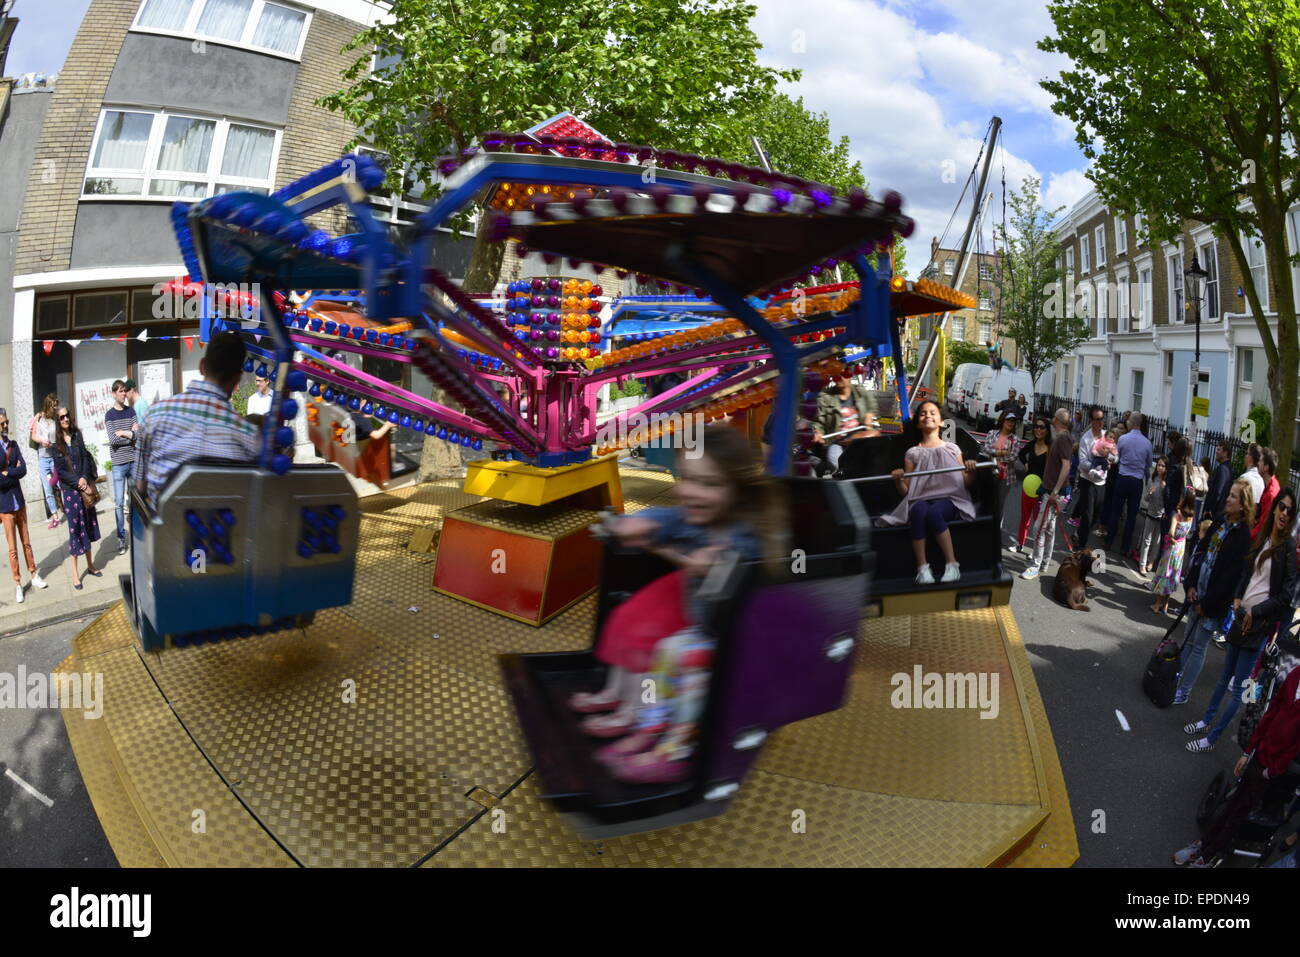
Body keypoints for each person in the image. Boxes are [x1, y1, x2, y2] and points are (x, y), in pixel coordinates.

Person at [568, 426, 783, 783]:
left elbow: (718, 562)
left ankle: (677, 753)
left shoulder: (744, 534)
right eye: (688, 479)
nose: (693, 492)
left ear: (738, 492)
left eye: (711, 485)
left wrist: (669, 550)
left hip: (741, 638)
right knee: (666, 650)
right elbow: (668, 518)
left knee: (689, 662)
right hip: (705, 629)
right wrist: (634, 524)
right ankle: (649, 728)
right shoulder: (700, 521)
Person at [1185, 489, 1299, 753]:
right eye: (1281, 507)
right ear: (1274, 509)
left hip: (1257, 626)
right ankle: (1205, 720)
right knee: (1224, 677)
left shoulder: (1289, 548)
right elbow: (1247, 572)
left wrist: (1256, 612)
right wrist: (1237, 598)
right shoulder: (1264, 537)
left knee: (1240, 689)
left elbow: (1285, 595)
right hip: (1239, 617)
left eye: (1289, 510)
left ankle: (1212, 739)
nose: (1283, 513)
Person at [1175, 662, 1300, 867]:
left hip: (1273, 768)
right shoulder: (1295, 674)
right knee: (1233, 803)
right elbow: (1270, 715)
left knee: (1239, 812)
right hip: (1258, 755)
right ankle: (1205, 843)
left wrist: (1271, 771)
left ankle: (1208, 855)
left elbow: (1296, 747)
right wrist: (1249, 751)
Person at [136, 333, 260, 509]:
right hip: (222, 533)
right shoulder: (249, 435)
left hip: (163, 531)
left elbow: (140, 488)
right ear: (238, 378)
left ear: (202, 366)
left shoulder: (154, 414)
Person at [877, 400, 979, 584]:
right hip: (921, 499)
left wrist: (971, 471)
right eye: (923, 413)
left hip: (950, 499)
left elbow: (964, 482)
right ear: (918, 422)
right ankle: (923, 568)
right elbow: (906, 491)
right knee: (918, 510)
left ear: (941, 421)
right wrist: (899, 479)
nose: (928, 416)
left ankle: (952, 564)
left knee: (934, 512)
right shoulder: (913, 453)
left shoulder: (952, 448)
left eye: (933, 412)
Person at [1173, 481, 1256, 705]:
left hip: (1213, 603)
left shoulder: (1243, 536)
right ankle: (1172, 682)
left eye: (1234, 497)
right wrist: (1190, 584)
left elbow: (1230, 578)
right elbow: (1201, 550)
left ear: (1243, 505)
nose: (1228, 499)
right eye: (1229, 494)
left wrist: (1207, 604)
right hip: (1197, 591)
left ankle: (1184, 691)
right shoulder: (1220, 520)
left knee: (1199, 646)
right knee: (1187, 641)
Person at [1021, 408, 1076, 581]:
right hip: (1052, 491)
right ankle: (1044, 563)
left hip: (1054, 493)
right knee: (1049, 529)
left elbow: (1067, 465)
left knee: (1039, 528)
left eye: (1054, 417)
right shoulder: (1061, 438)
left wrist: (1055, 491)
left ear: (1057, 420)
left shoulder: (1064, 438)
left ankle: (1035, 565)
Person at [51, 406, 101, 589]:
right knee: (75, 529)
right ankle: (74, 574)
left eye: (67, 415)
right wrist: (77, 481)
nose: (65, 419)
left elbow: (87, 459)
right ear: (57, 421)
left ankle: (90, 565)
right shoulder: (56, 445)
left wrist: (84, 479)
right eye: (61, 417)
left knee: (87, 524)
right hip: (71, 492)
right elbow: (61, 472)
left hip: (84, 486)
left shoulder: (77, 436)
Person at [0, 409, 47, 603]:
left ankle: (33, 574)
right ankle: (18, 583)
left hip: (19, 502)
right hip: (5, 506)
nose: (5, 426)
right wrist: (14, 471)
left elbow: (24, 469)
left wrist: (7, 472)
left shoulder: (14, 444)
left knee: (26, 542)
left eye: (7, 422)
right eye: (2, 423)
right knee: (12, 548)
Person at [1105, 410, 1155, 561]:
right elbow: (1147, 465)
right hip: (1136, 481)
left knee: (1115, 510)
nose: (1126, 422)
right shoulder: (1147, 443)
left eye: (1128, 421)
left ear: (1133, 422)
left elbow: (1116, 457)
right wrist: (1147, 483)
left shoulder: (1123, 439)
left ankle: (1108, 541)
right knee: (1131, 516)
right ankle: (1124, 548)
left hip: (1122, 477)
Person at [815, 376, 880, 472]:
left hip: (861, 441)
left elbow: (872, 407)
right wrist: (818, 432)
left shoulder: (861, 391)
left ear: (849, 375)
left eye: (842, 374)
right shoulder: (825, 397)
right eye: (835, 374)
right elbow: (819, 422)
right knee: (835, 462)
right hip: (837, 442)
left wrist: (869, 414)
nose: (838, 377)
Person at [1066, 405, 1109, 549]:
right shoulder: (1086, 438)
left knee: (1096, 516)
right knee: (1087, 515)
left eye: (1102, 419)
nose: (1100, 422)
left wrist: (1110, 460)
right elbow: (1083, 462)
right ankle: (1080, 548)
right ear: (1091, 420)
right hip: (1087, 480)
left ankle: (1079, 533)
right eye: (1097, 419)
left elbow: (1113, 453)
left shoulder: (1106, 435)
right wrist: (1096, 466)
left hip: (1102, 482)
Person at [1150, 489, 1195, 615]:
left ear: (1184, 501)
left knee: (1165, 572)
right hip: (1181, 547)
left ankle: (1158, 604)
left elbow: (1171, 532)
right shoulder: (1191, 517)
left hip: (1172, 547)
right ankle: (1166, 604)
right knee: (1173, 574)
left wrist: (1170, 537)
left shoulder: (1177, 516)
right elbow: (1189, 533)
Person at [105, 379, 137, 555]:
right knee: (118, 503)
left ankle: (136, 534)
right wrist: (131, 435)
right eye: (119, 391)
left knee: (134, 500)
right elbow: (113, 440)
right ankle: (120, 538)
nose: (123, 394)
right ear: (113, 394)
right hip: (118, 464)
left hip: (133, 461)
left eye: (124, 391)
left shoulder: (131, 411)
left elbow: (138, 435)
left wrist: (125, 433)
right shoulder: (109, 415)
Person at [1011, 416, 1051, 554]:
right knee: (1024, 517)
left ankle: (1035, 551)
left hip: (1042, 490)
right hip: (1027, 487)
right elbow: (1021, 455)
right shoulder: (1031, 444)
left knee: (1038, 523)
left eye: (1042, 427)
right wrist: (1026, 464)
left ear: (1047, 430)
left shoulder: (1050, 447)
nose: (1038, 429)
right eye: (1037, 427)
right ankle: (1019, 544)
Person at [981, 410, 1019, 547]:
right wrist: (1002, 452)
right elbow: (986, 449)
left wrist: (996, 455)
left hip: (1006, 477)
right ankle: (985, 528)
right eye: (1008, 420)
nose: (1010, 423)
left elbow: (1013, 457)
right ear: (1003, 420)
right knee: (988, 501)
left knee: (1000, 505)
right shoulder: (992, 433)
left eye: (1013, 421)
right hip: (989, 473)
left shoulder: (1015, 439)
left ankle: (995, 531)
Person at [29, 394, 61, 528]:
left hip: (54, 457)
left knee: (60, 484)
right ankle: (55, 516)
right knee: (48, 489)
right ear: (48, 406)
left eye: (56, 407)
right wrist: (42, 441)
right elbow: (33, 436)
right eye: (53, 407)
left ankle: (68, 507)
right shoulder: (39, 418)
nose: (55, 409)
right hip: (43, 458)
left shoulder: (55, 419)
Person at [1137, 457, 1170, 576]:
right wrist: (1149, 494)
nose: (1160, 468)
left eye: (1163, 466)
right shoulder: (1152, 479)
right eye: (1159, 465)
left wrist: (1165, 488)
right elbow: (1145, 498)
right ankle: (1142, 565)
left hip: (1161, 516)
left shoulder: (1167, 482)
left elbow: (1169, 499)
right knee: (1147, 541)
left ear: (1166, 468)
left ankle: (1151, 562)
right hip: (1150, 513)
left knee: (1156, 542)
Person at [1252, 448, 1280, 539]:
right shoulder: (1270, 484)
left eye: (1260, 461)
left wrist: (1245, 536)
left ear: (1266, 467)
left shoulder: (1271, 494)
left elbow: (1262, 527)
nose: (1258, 464)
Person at [1204, 440, 1233, 525]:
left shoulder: (1223, 469)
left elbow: (1218, 492)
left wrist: (1209, 510)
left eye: (1219, 449)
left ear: (1225, 453)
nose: (1216, 452)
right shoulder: (1227, 468)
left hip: (1214, 514)